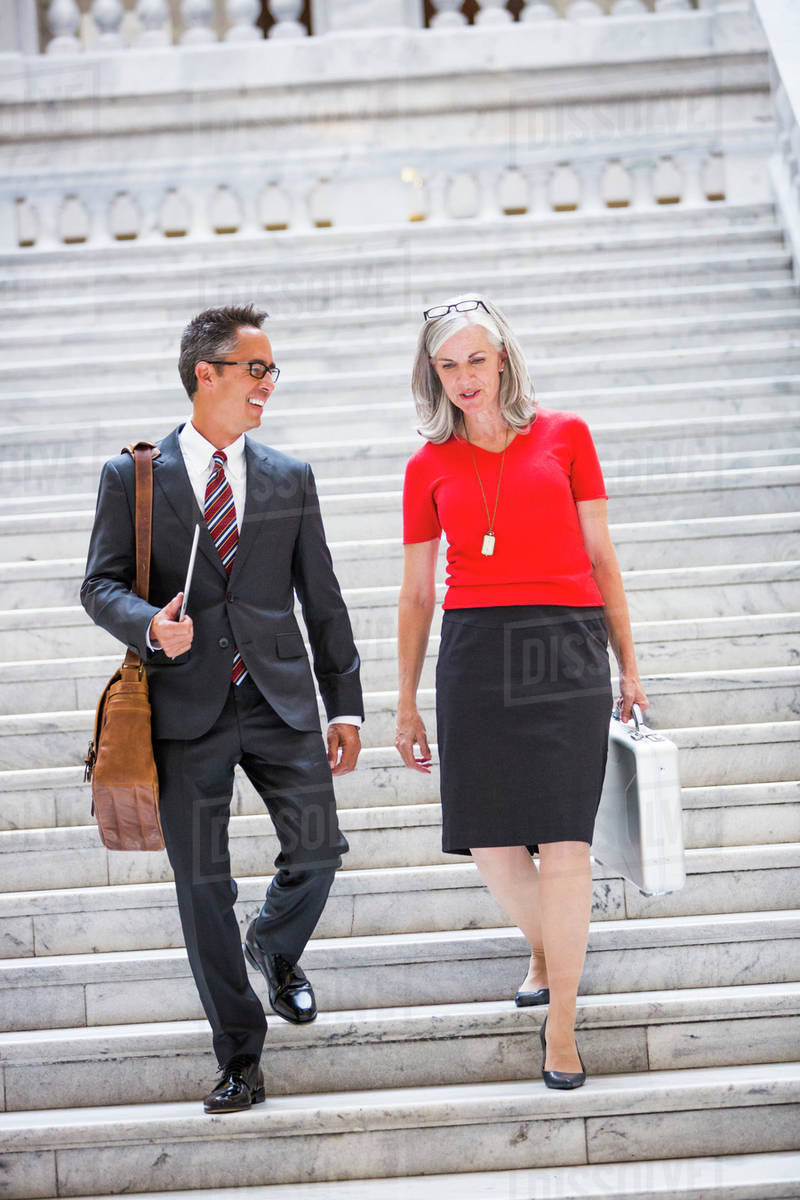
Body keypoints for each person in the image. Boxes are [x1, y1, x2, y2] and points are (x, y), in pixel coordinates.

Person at [81, 304, 363, 1114]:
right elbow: (98, 584)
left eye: (272, 370)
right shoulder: (134, 477)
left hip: (279, 699)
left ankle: (273, 947)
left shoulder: (288, 477)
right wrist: (148, 626)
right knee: (202, 888)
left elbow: (325, 600)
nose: (269, 383)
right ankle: (240, 1057)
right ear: (207, 375)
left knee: (319, 850)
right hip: (184, 711)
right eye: (257, 369)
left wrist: (346, 705)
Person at [395, 294, 648, 1090]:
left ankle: (562, 1023)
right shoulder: (426, 464)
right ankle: (546, 947)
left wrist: (629, 665)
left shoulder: (566, 436)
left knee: (566, 843)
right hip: (475, 651)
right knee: (492, 839)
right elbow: (414, 594)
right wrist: (403, 700)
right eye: (448, 366)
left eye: (476, 359)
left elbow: (603, 557)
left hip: (567, 643)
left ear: (502, 356)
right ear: (431, 375)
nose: (464, 378)